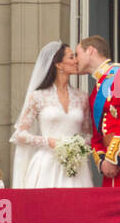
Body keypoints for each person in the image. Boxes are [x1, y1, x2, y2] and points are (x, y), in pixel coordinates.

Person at [9, 41, 94, 188]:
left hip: (75, 166)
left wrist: (77, 147)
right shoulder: (38, 97)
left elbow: (89, 134)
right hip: (46, 165)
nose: (76, 61)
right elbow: (19, 134)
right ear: (58, 64)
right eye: (71, 57)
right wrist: (49, 142)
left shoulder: (82, 97)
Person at [76, 35, 120, 187]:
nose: (76, 60)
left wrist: (113, 159)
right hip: (111, 173)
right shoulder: (95, 91)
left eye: (78, 54)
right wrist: (103, 162)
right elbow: (96, 136)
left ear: (90, 50)